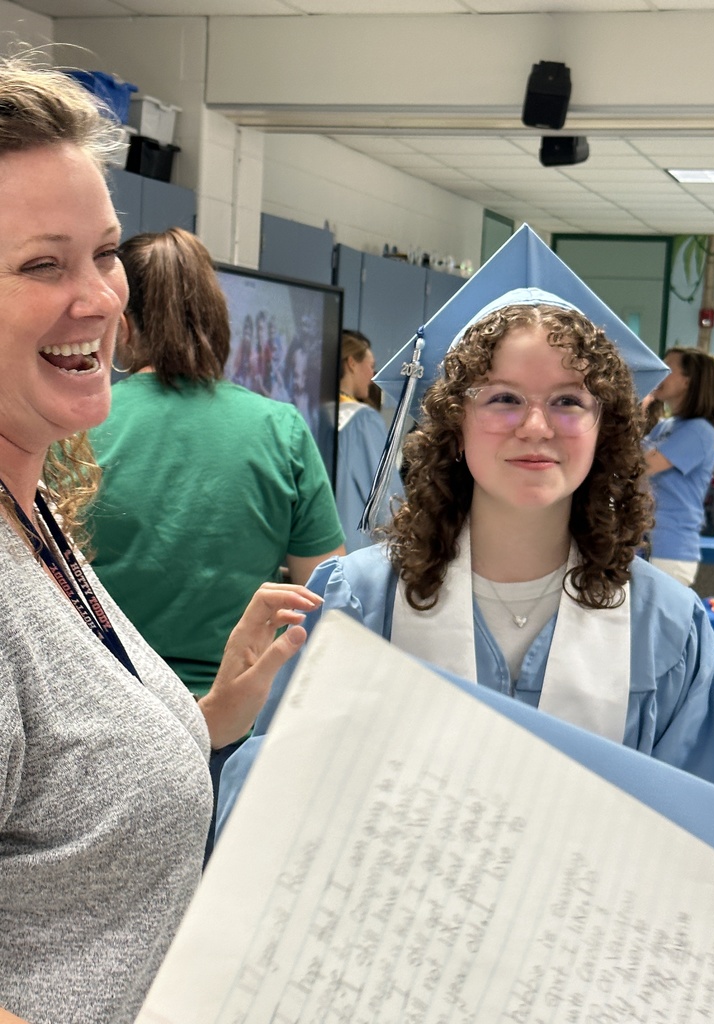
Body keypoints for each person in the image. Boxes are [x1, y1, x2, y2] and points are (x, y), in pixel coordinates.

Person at [219, 226, 714, 833]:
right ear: (453, 420)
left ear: (606, 427)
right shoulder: (357, 601)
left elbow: (706, 855)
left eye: (570, 401)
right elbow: (271, 822)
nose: (536, 426)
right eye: (503, 399)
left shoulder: (669, 631)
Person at [0, 54, 320, 1024]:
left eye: (105, 253)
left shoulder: (36, 511)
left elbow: (66, 794)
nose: (100, 298)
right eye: (42, 264)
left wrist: (212, 711)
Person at [87, 227, 346, 700]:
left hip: (113, 715)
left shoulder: (77, 429)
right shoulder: (281, 429)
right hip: (240, 719)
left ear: (122, 326)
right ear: (218, 318)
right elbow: (326, 596)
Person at [642, 346, 714, 586]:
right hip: (648, 546)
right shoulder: (666, 426)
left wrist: (641, 405)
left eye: (668, 368)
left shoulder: (698, 431)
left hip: (671, 552)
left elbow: (639, 466)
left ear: (688, 381)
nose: (660, 373)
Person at [336, 329, 403, 551]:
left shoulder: (310, 415)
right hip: (355, 553)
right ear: (352, 363)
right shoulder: (361, 420)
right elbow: (387, 501)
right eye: (371, 365)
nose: (373, 375)